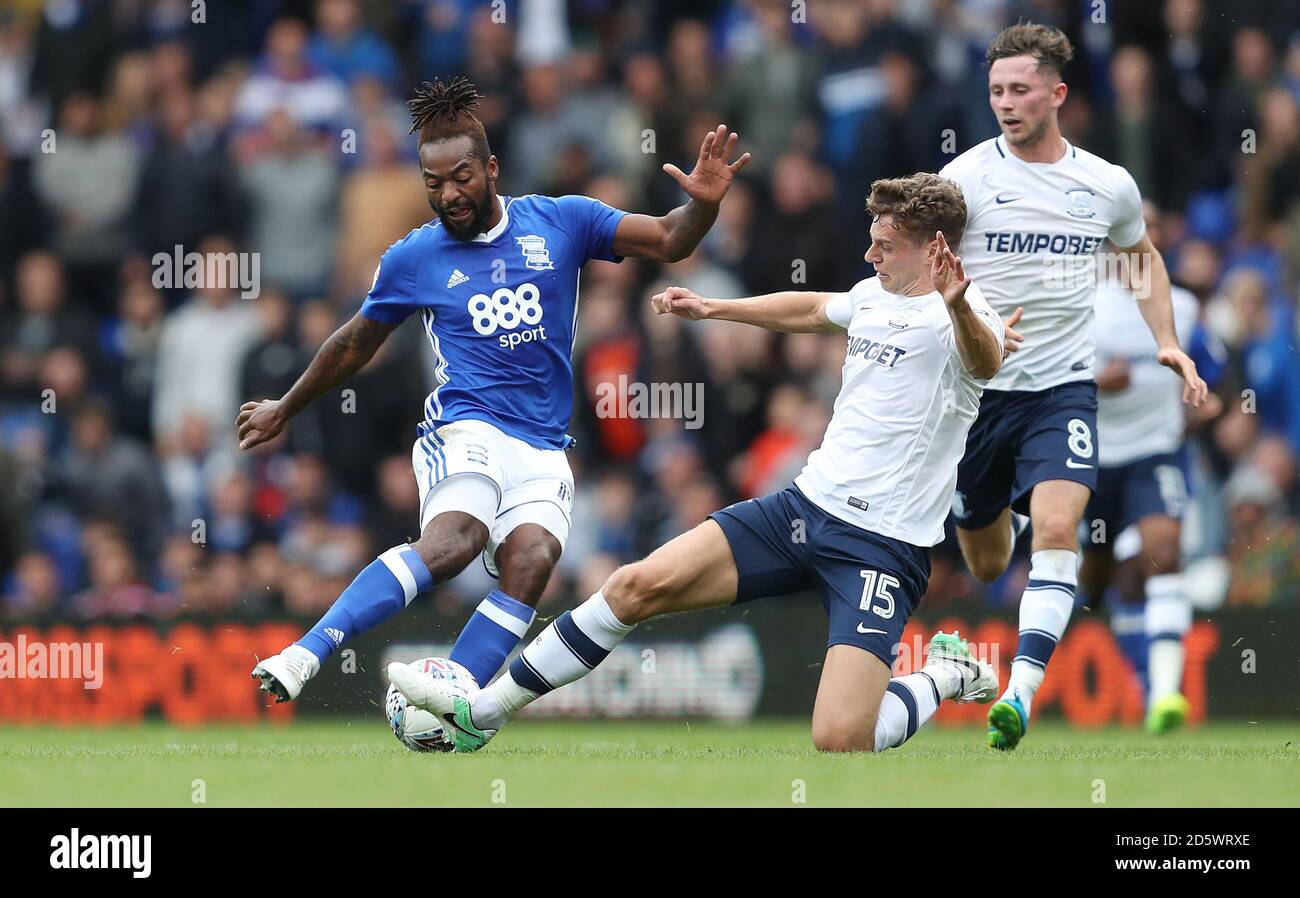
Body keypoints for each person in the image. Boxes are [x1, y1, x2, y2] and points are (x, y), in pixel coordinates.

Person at [389, 172, 1017, 754]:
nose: (869, 255)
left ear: (932, 247)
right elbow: (809, 308)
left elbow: (985, 361)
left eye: (883, 244)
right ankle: (482, 716)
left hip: (883, 544)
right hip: (803, 509)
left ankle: (942, 674)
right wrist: (718, 309)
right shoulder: (873, 296)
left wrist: (959, 304)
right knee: (633, 586)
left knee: (841, 738)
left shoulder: (967, 311)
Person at [238, 77, 751, 701]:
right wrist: (285, 406)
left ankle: (455, 696)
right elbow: (354, 341)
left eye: (461, 177)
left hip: (543, 442)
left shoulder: (562, 221)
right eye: (433, 184)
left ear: (492, 167)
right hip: (465, 425)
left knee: (532, 560)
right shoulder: (413, 258)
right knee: (457, 539)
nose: (448, 195)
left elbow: (672, 238)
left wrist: (703, 203)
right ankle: (305, 653)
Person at [937, 24, 1208, 750]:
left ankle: (1019, 695)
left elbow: (1142, 259)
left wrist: (1168, 345)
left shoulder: (1106, 184)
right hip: (977, 398)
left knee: (1057, 530)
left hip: (1061, 392)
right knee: (988, 558)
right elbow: (917, 273)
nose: (1005, 103)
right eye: (996, 91)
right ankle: (1010, 504)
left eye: (1020, 90)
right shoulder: (964, 180)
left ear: (1057, 93)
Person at [1080, 278, 1225, 734]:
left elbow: (1218, 372)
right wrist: (1099, 384)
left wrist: (1207, 399)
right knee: (1100, 585)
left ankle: (1163, 693)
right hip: (1094, 458)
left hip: (1156, 452)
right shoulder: (1086, 306)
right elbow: (1051, 383)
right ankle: (1145, 678)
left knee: (1163, 555)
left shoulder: (1182, 306)